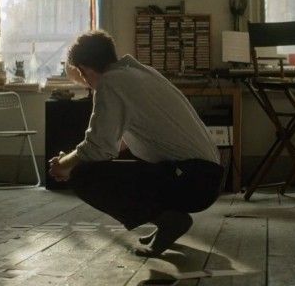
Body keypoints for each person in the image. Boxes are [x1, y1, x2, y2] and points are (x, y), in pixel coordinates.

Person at [48, 30, 223, 256]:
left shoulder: (110, 82)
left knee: (83, 176)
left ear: (84, 68)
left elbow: (98, 148)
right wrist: (70, 159)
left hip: (193, 181)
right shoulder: (138, 72)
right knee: (88, 165)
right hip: (205, 179)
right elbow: (116, 142)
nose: (87, 84)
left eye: (82, 76)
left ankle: (170, 221)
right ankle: (166, 221)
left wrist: (65, 165)